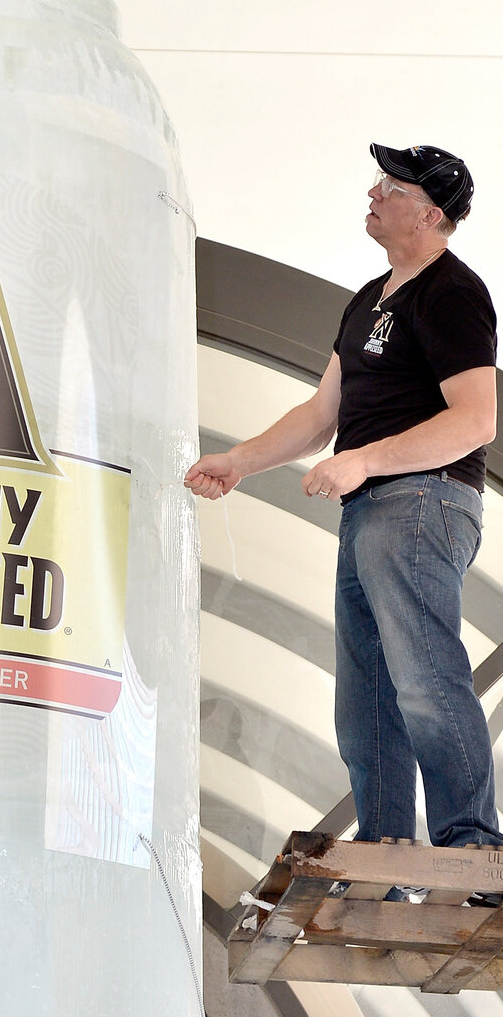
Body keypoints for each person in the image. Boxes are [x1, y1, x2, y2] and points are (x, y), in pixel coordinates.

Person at [186, 143, 500, 854]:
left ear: (429, 212)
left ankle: (470, 844)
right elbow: (321, 411)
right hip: (372, 509)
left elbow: (474, 420)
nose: (371, 192)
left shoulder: (451, 291)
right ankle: (386, 848)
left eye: (389, 186)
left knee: (423, 676)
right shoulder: (368, 299)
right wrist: (239, 460)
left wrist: (366, 460)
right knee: (364, 702)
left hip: (422, 501)